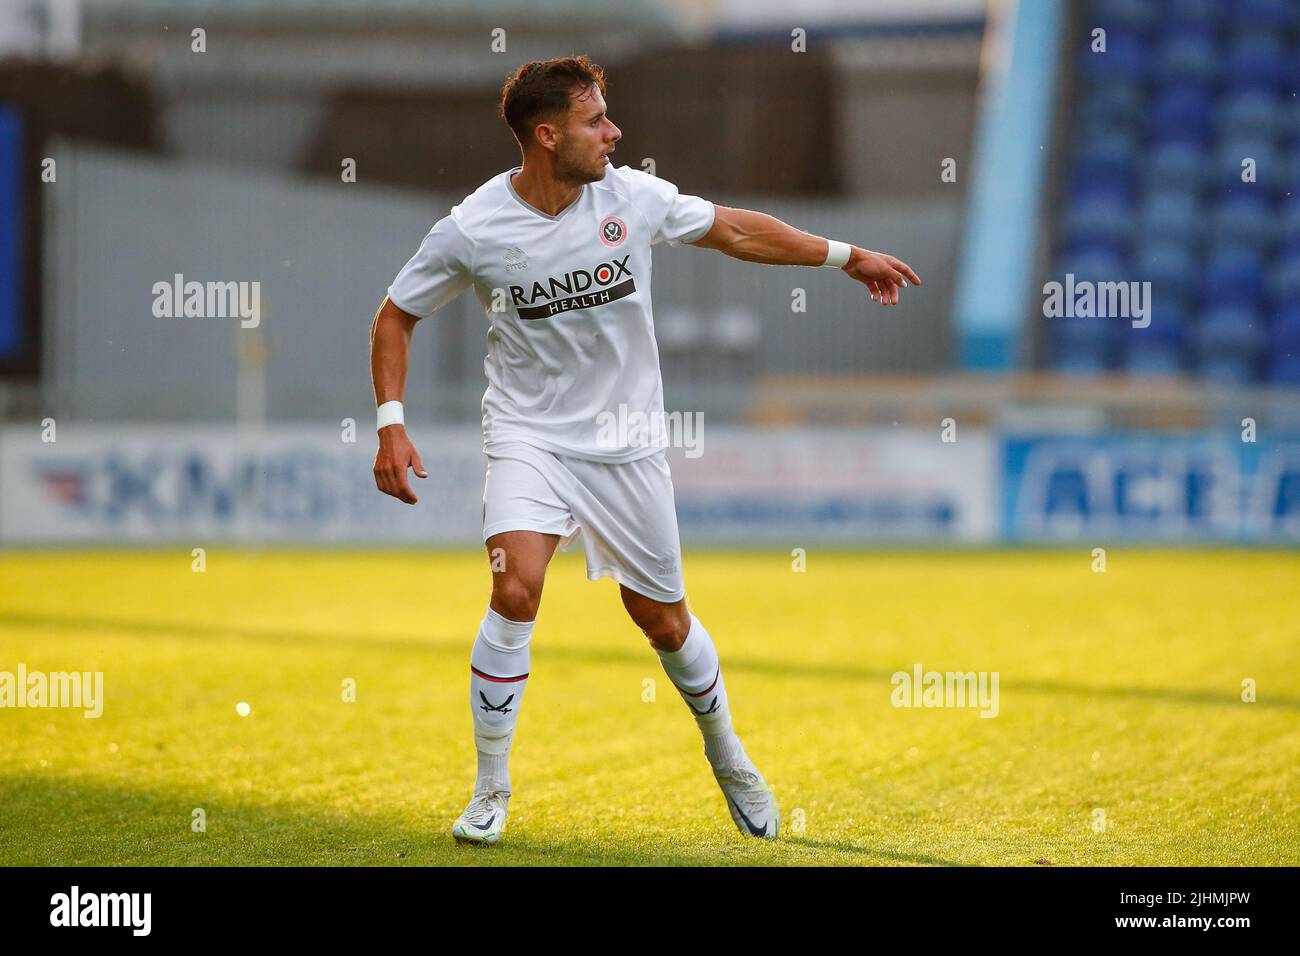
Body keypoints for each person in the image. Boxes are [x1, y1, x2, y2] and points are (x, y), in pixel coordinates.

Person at [369, 55, 920, 845]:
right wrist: (391, 420)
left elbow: (734, 229)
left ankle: (727, 753)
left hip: (627, 446)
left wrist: (843, 255)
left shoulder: (635, 197)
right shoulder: (472, 228)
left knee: (660, 620)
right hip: (530, 436)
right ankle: (490, 790)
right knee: (516, 589)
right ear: (548, 134)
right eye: (597, 120)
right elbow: (395, 317)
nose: (614, 132)